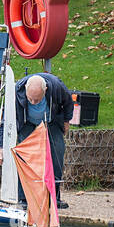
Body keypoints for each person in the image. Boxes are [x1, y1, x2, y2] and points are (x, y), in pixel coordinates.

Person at [15, 72, 74, 209]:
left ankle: (54, 197)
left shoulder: (57, 86)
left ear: (45, 90)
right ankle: (24, 198)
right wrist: (1, 146)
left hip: (51, 121)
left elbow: (68, 103)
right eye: (31, 99)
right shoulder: (17, 91)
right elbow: (6, 120)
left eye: (37, 99)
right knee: (25, 159)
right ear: (25, 91)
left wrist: (66, 120)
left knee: (57, 156)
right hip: (27, 123)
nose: (34, 102)